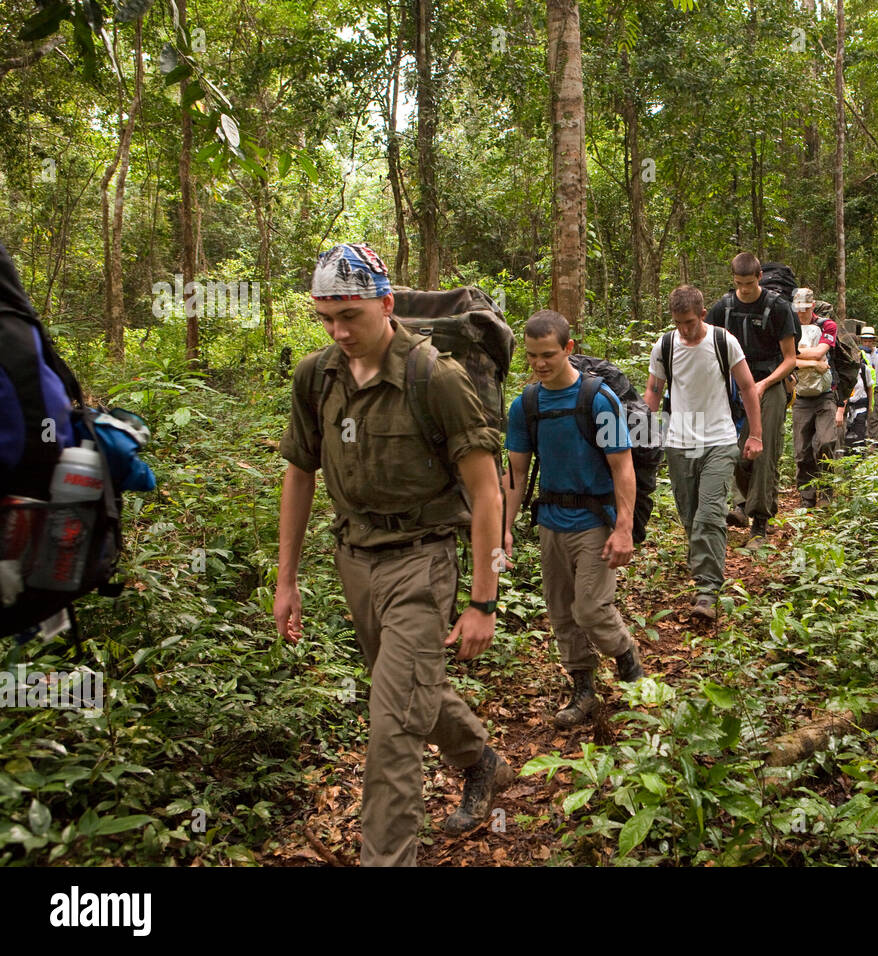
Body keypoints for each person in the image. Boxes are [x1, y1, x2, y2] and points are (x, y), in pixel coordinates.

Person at [274, 243, 510, 865]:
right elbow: (300, 474)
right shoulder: (315, 376)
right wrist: (286, 579)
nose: (339, 331)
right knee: (405, 688)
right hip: (355, 558)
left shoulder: (437, 378)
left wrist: (484, 599)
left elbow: (486, 493)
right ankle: (480, 758)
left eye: (350, 314)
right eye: (326, 318)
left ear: (385, 303)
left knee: (392, 726)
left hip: (423, 559)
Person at [502, 310, 644, 729]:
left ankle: (627, 660)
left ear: (568, 349)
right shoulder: (525, 405)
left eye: (548, 355)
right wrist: (504, 528)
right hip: (550, 520)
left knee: (591, 609)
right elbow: (516, 474)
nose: (540, 364)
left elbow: (623, 467)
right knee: (562, 612)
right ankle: (583, 688)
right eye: (531, 356)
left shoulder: (598, 399)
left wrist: (623, 528)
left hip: (595, 520)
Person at [645, 285, 762, 620]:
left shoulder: (723, 341)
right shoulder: (664, 345)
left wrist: (755, 434)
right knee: (690, 515)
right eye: (678, 322)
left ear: (702, 315)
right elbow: (653, 393)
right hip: (679, 443)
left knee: (709, 515)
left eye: (690, 322)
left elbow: (747, 386)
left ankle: (707, 591)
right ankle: (702, 563)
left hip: (720, 441)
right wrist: (634, 431)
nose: (684, 329)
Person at [707, 253, 797, 546]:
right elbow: (709, 344)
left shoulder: (778, 308)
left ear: (759, 278)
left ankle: (759, 523)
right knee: (730, 448)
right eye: (738, 284)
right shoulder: (724, 307)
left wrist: (765, 384)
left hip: (768, 383)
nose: (743, 289)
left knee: (763, 448)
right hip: (733, 384)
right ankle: (742, 504)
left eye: (748, 283)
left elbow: (790, 359)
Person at [790, 288, 840, 506]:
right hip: (800, 396)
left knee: (826, 442)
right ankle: (807, 496)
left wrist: (798, 356)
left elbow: (820, 351)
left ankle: (827, 491)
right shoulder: (788, 326)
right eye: (797, 309)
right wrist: (811, 363)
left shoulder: (827, 325)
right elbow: (786, 358)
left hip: (825, 395)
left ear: (812, 307)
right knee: (802, 451)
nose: (800, 314)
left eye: (804, 309)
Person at [860, 327, 878, 449]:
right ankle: (860, 443)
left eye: (870, 340)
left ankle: (872, 444)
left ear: (873, 341)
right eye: (865, 340)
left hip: (876, 388)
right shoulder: (858, 352)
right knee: (860, 416)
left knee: (874, 416)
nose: (867, 343)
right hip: (861, 389)